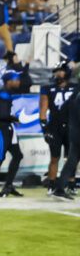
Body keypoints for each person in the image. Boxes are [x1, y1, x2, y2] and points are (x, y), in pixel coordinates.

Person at [0, 69, 24, 197]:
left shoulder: (2, 92)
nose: (19, 82)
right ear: (9, 81)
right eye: (16, 80)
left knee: (18, 155)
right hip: (1, 128)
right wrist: (13, 118)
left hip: (7, 127)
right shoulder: (3, 93)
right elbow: (2, 114)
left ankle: (8, 185)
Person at [40, 61, 76, 191]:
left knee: (72, 157)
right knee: (54, 157)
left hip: (72, 126)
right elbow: (43, 109)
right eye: (56, 71)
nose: (58, 73)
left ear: (67, 72)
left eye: (60, 70)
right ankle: (51, 184)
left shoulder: (75, 87)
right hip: (55, 126)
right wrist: (44, 129)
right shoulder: (47, 88)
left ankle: (71, 184)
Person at [50, 80, 80, 202]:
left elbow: (64, 112)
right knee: (71, 162)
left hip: (74, 133)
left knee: (71, 162)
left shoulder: (74, 94)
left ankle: (60, 189)